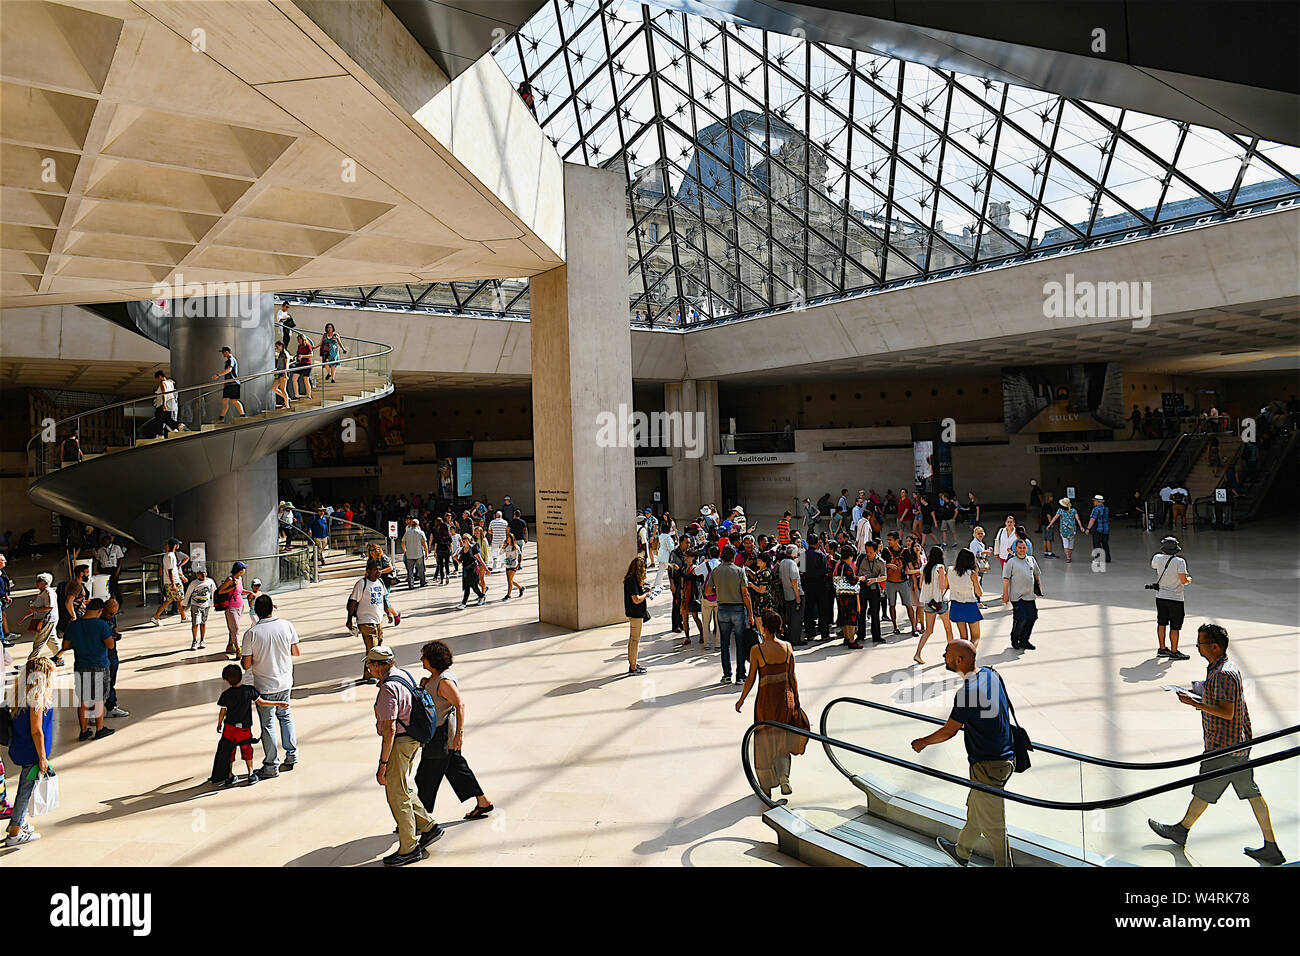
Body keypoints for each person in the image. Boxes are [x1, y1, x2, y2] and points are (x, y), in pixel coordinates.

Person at [1148, 624, 1285, 865]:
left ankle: (1181, 830)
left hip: (1224, 747)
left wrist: (1194, 703)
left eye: (1200, 643)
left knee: (1205, 788)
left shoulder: (1223, 673)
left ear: (1214, 646)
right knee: (1249, 793)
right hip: (1236, 746)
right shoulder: (1220, 668)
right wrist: (1200, 692)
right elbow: (1224, 702)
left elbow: (1227, 712)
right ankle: (1271, 846)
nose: (1197, 647)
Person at [912, 640, 1018, 867]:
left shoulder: (967, 692)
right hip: (1003, 757)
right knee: (977, 810)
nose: (943, 656)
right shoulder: (990, 674)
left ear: (958, 660)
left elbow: (950, 730)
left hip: (989, 765)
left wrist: (923, 742)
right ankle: (961, 852)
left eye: (947, 654)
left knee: (994, 825)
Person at [366, 645, 441, 866]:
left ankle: (409, 848)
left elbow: (389, 729)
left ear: (378, 665)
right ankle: (428, 827)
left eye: (370, 664)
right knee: (403, 787)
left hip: (400, 742)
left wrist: (383, 764)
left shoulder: (388, 688)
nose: (368, 668)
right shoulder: (403, 674)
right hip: (414, 738)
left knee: (396, 794)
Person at [414, 640, 494, 822]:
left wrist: (459, 734)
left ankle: (420, 820)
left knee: (426, 777)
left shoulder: (443, 681)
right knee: (456, 768)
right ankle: (483, 802)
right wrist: (424, 685)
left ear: (432, 659)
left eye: (424, 657)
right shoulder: (437, 677)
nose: (421, 659)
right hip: (441, 735)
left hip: (442, 737)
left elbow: (460, 704)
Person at [736, 608, 803, 797]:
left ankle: (766, 787)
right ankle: (783, 776)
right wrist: (796, 700)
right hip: (785, 698)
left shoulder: (757, 651)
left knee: (764, 741)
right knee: (782, 739)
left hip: (765, 701)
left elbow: (750, 679)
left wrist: (741, 699)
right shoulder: (788, 647)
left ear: (763, 628)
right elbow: (792, 677)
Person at [241, 594, 299, 779]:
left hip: (263, 687)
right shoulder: (287, 625)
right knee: (286, 717)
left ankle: (271, 765)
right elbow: (296, 651)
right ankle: (291, 755)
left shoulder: (251, 633)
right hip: (285, 682)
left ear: (256, 611)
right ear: (273, 608)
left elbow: (247, 664)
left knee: (267, 725)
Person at [4, 658, 56, 847]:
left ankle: (18, 824)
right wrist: (42, 757)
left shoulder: (19, 693)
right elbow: (37, 730)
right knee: (25, 791)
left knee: (25, 787)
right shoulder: (37, 697)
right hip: (32, 750)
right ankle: (15, 832)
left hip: (21, 746)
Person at [61, 598, 115, 741]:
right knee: (98, 699)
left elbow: (65, 646)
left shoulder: (73, 625)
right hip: (99, 666)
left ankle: (84, 731)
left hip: (81, 666)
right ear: (100, 611)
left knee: (83, 701)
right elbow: (110, 645)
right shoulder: (101, 625)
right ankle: (99, 729)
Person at [209, 664, 262, 787]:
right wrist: (279, 703)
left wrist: (219, 723)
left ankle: (229, 776)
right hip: (244, 729)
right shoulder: (249, 690)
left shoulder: (226, 695)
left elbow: (223, 711)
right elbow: (262, 702)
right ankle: (250, 774)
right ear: (241, 676)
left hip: (229, 729)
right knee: (247, 749)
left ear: (227, 681)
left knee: (229, 751)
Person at [710, 545, 754, 686]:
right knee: (740, 643)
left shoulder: (715, 571)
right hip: (738, 609)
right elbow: (745, 594)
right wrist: (751, 614)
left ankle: (727, 675)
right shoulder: (740, 571)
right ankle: (740, 676)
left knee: (725, 643)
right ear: (734, 557)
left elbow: (709, 591)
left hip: (722, 609)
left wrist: (721, 592)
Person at [1151, 536, 1192, 660]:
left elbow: (1153, 566)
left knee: (1161, 622)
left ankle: (1162, 649)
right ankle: (1174, 651)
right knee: (1175, 626)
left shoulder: (1157, 558)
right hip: (1176, 598)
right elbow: (1183, 581)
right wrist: (1189, 579)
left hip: (1160, 596)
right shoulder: (1180, 562)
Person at [1001, 538, 1042, 650]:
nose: (1022, 550)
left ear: (1027, 548)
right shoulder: (1011, 562)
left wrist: (1039, 588)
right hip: (1017, 597)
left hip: (1030, 595)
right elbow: (1005, 578)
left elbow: (1036, 574)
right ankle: (1015, 638)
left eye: (1024, 548)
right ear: (1016, 549)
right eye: (1020, 548)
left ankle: (1024, 639)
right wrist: (1005, 594)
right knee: (1021, 618)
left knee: (1032, 617)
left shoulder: (1031, 559)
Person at [915, 546, 952, 664]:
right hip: (940, 602)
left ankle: (917, 653)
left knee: (928, 630)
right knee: (948, 629)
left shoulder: (924, 567)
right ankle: (951, 654)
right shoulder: (940, 568)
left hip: (929, 603)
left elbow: (921, 585)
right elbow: (942, 586)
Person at [19, 573, 60, 663]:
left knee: (39, 641)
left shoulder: (49, 592)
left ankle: (31, 660)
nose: (36, 583)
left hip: (48, 619)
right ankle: (59, 658)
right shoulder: (42, 593)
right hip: (46, 619)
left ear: (45, 583)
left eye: (39, 581)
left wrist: (36, 610)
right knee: (51, 640)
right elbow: (34, 609)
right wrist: (24, 617)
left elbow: (49, 607)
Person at [948, 547, 984, 648]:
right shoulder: (972, 574)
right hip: (970, 605)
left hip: (956, 604)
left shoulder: (950, 570)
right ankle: (970, 656)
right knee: (976, 636)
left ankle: (963, 658)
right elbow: (979, 593)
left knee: (963, 637)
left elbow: (946, 586)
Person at [149, 537, 188, 626]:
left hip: (172, 581)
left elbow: (173, 570)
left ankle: (183, 617)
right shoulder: (170, 556)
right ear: (174, 545)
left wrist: (182, 576)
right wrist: (174, 584)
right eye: (177, 544)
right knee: (178, 599)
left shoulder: (169, 555)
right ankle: (183, 617)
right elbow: (170, 571)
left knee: (173, 600)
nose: (178, 545)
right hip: (173, 582)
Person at [883, 532, 916, 636]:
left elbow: (910, 567)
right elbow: (881, 565)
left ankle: (914, 627)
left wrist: (914, 582)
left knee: (909, 605)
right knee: (891, 605)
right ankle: (895, 627)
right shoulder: (885, 551)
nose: (888, 542)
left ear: (897, 540)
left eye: (890, 540)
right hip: (890, 582)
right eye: (888, 540)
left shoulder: (905, 551)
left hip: (903, 582)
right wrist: (889, 565)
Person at [623, 556, 651, 675]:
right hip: (636, 614)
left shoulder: (630, 578)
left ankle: (632, 662)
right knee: (635, 640)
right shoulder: (632, 580)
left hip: (634, 613)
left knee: (632, 639)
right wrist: (647, 595)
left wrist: (643, 590)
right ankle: (633, 667)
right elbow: (636, 599)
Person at [857, 539, 887, 646]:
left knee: (875, 612)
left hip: (875, 589)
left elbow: (884, 577)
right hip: (863, 587)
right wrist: (863, 579)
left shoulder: (881, 562)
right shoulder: (862, 559)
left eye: (870, 552)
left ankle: (876, 636)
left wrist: (874, 580)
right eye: (867, 551)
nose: (868, 554)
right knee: (862, 612)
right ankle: (860, 635)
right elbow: (858, 572)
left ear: (876, 551)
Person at [215, 561, 247, 658]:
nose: (245, 570)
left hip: (240, 606)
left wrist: (250, 593)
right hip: (231, 608)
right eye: (243, 568)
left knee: (233, 628)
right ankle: (238, 650)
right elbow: (220, 591)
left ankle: (230, 645)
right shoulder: (230, 579)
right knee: (236, 629)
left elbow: (240, 591)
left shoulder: (240, 579)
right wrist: (233, 586)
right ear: (239, 570)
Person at [832, 544, 861, 647]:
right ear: (850, 556)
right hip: (849, 595)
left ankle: (846, 638)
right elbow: (852, 580)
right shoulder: (847, 566)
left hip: (841, 595)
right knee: (851, 618)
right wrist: (860, 578)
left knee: (843, 617)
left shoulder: (839, 565)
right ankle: (852, 640)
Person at [183, 566, 217, 650]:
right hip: (195, 605)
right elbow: (188, 593)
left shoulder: (210, 581)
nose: (203, 574)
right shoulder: (194, 583)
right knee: (195, 623)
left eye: (204, 572)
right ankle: (194, 640)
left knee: (203, 622)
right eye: (201, 573)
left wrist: (216, 603)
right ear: (197, 574)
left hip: (206, 605)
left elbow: (214, 592)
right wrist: (184, 604)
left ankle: (202, 639)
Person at [777, 544, 804, 646]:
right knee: (797, 618)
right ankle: (796, 639)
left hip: (787, 594)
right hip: (794, 594)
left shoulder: (783, 562)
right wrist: (797, 596)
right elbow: (794, 581)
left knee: (791, 618)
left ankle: (792, 637)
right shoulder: (791, 563)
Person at [210, 346, 245, 421]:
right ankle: (221, 418)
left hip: (233, 383)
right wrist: (225, 383)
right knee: (224, 401)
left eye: (223, 352)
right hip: (228, 384)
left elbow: (229, 369)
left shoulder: (231, 360)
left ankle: (243, 415)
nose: (223, 354)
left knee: (234, 400)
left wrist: (218, 375)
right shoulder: (229, 360)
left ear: (227, 352)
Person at [455, 536, 487, 609]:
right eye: (463, 539)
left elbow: (480, 559)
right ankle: (464, 603)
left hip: (473, 570)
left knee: (474, 586)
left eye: (465, 539)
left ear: (469, 540)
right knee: (467, 587)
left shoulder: (473, 548)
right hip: (466, 571)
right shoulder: (462, 550)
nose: (463, 540)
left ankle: (482, 596)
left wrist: (486, 569)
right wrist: (456, 559)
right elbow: (460, 561)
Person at [94, 534, 126, 603]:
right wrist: (97, 571)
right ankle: (109, 602)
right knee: (107, 588)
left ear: (109, 541)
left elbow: (120, 560)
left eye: (105, 541)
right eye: (102, 541)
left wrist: (117, 572)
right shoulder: (100, 550)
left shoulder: (116, 548)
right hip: (104, 570)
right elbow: (98, 561)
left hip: (113, 569)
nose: (103, 542)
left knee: (114, 587)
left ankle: (119, 602)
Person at [1047, 497, 1080, 563]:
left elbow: (1055, 518)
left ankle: (1068, 557)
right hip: (1072, 529)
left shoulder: (1060, 510)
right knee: (1071, 543)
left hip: (1064, 530)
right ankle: (1069, 556)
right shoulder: (1073, 510)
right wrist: (1081, 526)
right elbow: (1078, 519)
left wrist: (1049, 525)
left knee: (1065, 543)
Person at [148, 369, 178, 437]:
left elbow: (164, 393)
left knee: (159, 419)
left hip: (162, 404)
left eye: (158, 378)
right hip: (170, 403)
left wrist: (164, 404)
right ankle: (176, 427)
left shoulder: (162, 383)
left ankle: (160, 434)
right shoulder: (170, 382)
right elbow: (172, 384)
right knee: (166, 419)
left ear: (160, 376)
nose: (158, 380)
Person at [400, 517, 428, 588]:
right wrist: (426, 553)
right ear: (418, 525)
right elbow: (424, 544)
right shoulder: (421, 532)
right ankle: (422, 582)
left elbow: (402, 542)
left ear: (411, 525)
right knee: (421, 570)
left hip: (409, 555)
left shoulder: (407, 533)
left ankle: (411, 585)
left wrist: (404, 550)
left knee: (410, 571)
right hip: (419, 554)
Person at [1085, 494, 1111, 562]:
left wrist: (1088, 528)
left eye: (1095, 501)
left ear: (1098, 501)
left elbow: (1092, 520)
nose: (1094, 502)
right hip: (1105, 529)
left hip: (1098, 529)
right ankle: (1107, 558)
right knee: (1105, 544)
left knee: (1097, 544)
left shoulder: (1096, 509)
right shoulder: (1106, 509)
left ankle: (1098, 558)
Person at [501, 532, 525, 600]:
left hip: (513, 564)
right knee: (510, 580)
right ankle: (521, 588)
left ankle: (508, 595)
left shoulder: (515, 547)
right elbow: (500, 553)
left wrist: (519, 564)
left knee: (509, 581)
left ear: (511, 538)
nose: (506, 539)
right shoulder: (506, 546)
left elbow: (520, 555)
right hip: (507, 564)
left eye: (508, 538)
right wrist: (503, 547)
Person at [1039, 490, 1057, 558]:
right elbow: (1048, 515)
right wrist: (1051, 523)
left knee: (1045, 538)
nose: (1052, 498)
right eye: (1051, 497)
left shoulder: (1044, 505)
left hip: (1043, 523)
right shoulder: (1048, 506)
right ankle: (1050, 552)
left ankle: (1045, 552)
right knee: (1049, 538)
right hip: (1047, 524)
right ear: (1048, 497)